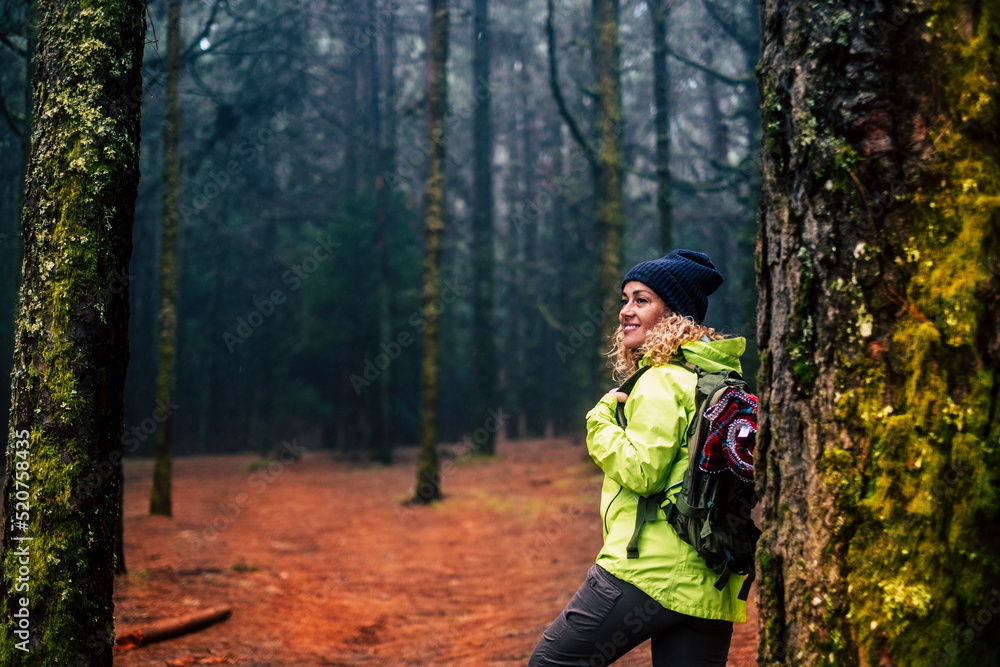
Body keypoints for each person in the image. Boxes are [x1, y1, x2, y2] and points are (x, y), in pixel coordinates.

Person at [529, 249, 749, 667]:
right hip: (709, 581)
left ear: (673, 315)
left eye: (641, 300)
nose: (625, 312)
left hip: (646, 571)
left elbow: (643, 471)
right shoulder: (712, 379)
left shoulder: (663, 379)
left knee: (551, 664)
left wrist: (599, 422)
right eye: (625, 299)